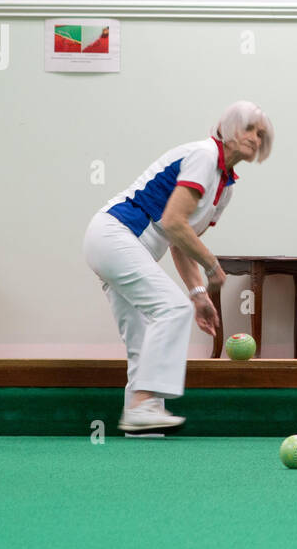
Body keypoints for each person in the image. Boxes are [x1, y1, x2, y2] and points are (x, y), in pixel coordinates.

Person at [84, 102, 273, 432]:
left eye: (260, 134)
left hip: (121, 246)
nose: (255, 138)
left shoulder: (225, 188)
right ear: (228, 128)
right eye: (248, 129)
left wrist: (199, 294)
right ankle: (144, 405)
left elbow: (181, 241)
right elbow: (173, 222)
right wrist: (212, 266)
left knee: (143, 336)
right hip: (115, 234)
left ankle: (142, 419)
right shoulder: (204, 156)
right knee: (173, 309)